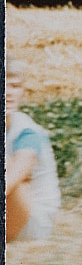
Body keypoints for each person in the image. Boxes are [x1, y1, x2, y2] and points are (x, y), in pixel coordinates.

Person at [6, 58, 61, 242]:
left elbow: (11, 180)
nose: (8, 93)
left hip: (36, 222)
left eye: (15, 86)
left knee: (12, 177)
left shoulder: (27, 131)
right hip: (12, 215)